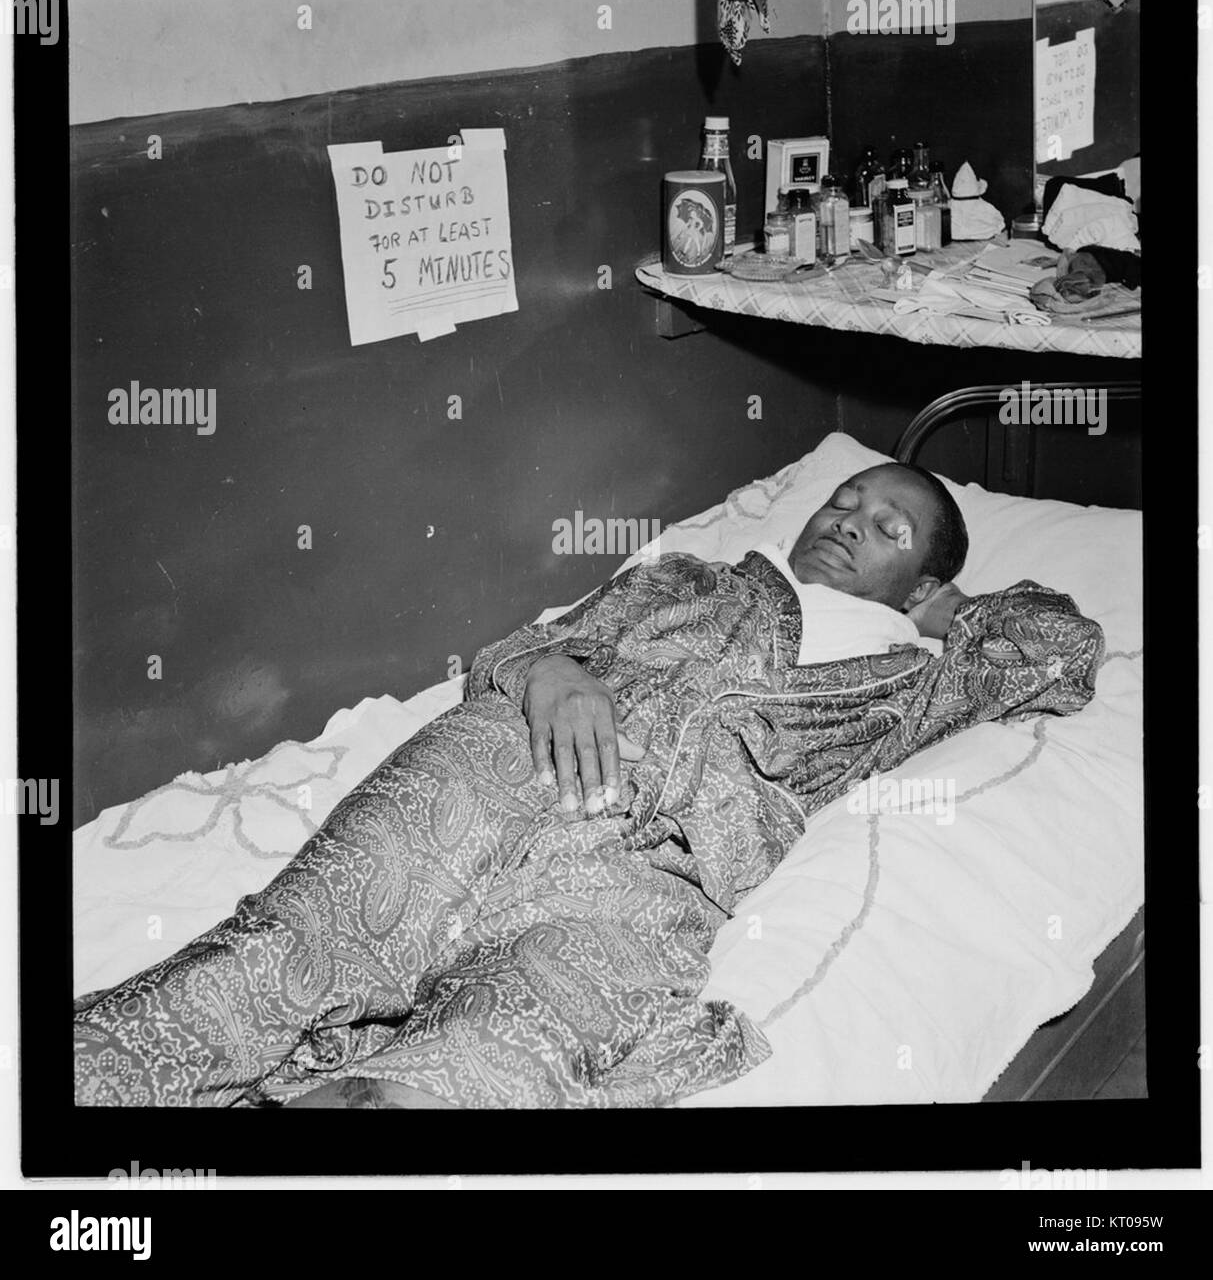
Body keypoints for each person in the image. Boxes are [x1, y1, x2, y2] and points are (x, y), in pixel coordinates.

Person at [74, 463, 1104, 1109]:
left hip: (652, 880)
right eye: (842, 499)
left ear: (925, 584)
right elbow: (514, 646)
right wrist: (551, 671)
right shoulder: (692, 578)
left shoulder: (909, 683)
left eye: (887, 525)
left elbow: (1059, 651)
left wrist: (938, 612)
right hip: (499, 767)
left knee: (500, 1054)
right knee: (277, 954)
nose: (846, 518)